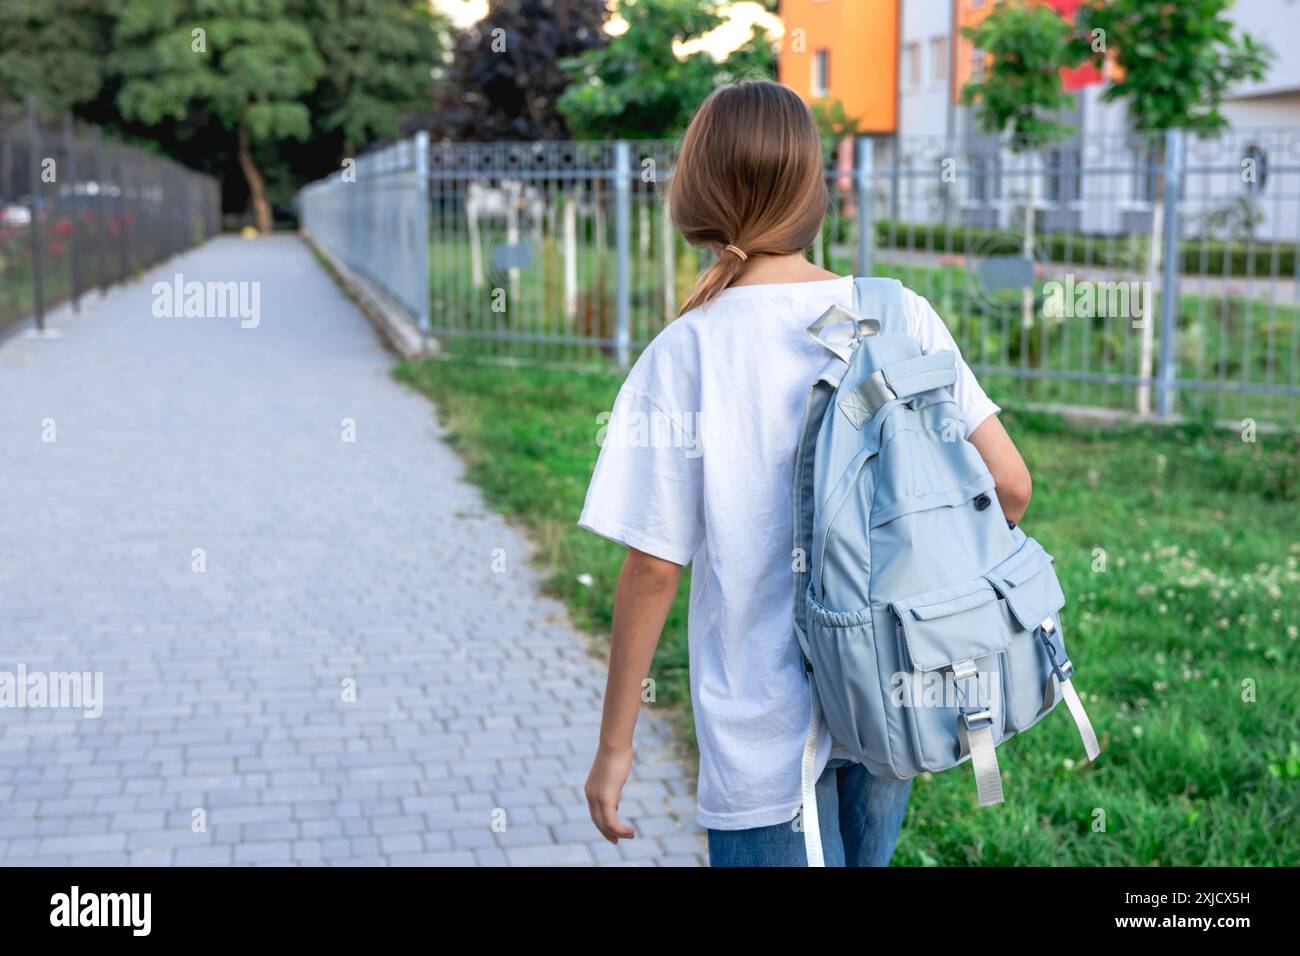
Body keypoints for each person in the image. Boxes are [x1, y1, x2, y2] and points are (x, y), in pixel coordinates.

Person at [577, 79, 1032, 867]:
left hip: (763, 739)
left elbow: (652, 566)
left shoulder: (685, 353)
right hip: (894, 695)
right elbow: (1012, 487)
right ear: (811, 188)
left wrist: (614, 749)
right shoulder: (898, 314)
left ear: (698, 188)